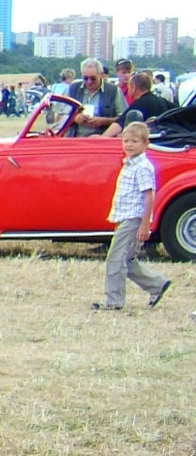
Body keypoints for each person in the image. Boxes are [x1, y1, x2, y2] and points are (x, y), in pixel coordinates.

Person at [95, 121, 170, 310]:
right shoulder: (128, 164)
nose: (129, 145)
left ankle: (114, 302)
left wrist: (145, 225)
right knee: (126, 259)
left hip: (133, 219)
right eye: (125, 141)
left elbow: (149, 196)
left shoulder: (143, 167)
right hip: (123, 218)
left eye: (134, 141)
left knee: (115, 259)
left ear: (145, 144)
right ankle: (157, 285)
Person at [70, 59, 124, 136]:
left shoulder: (113, 91)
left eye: (93, 78)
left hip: (103, 138)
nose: (89, 82)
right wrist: (75, 118)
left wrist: (103, 121)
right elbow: (61, 115)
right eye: (85, 78)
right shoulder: (73, 89)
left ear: (102, 75)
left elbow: (123, 118)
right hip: (75, 138)